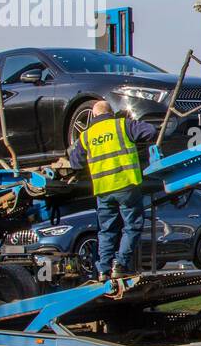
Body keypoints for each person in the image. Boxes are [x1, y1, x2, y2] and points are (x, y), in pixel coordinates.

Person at [65, 100, 158, 281]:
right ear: (111, 112)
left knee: (107, 231)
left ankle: (103, 270)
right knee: (132, 226)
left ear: (94, 115)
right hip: (126, 186)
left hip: (103, 191)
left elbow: (75, 162)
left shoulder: (86, 136)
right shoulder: (122, 125)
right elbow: (151, 132)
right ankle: (121, 264)